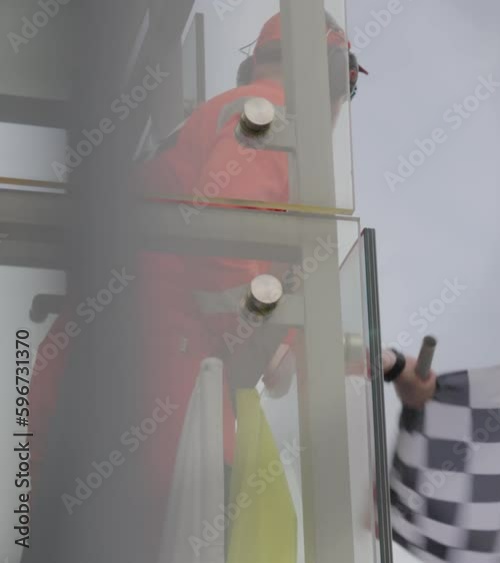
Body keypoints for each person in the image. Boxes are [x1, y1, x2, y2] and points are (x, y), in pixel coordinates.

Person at [27, 10, 436, 555]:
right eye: (349, 91)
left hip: (101, 385)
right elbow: (226, 244)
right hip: (162, 393)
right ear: (335, 76)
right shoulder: (271, 121)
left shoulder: (216, 120)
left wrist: (390, 365)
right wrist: (271, 347)